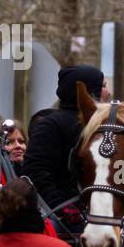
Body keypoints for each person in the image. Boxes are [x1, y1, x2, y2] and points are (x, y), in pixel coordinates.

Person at [22, 64, 106, 233]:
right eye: (102, 86)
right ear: (89, 92)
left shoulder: (107, 126)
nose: (108, 92)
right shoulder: (51, 125)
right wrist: (65, 212)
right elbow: (36, 171)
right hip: (63, 220)